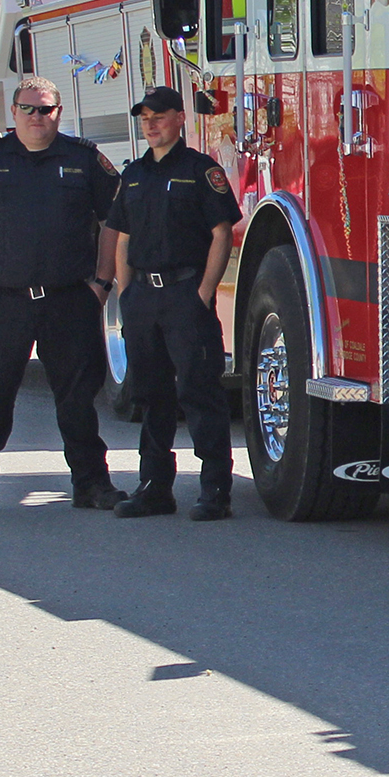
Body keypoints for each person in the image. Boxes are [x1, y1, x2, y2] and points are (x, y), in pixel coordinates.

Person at [0, 73, 125, 514]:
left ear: (59, 112)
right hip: (3, 301)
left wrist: (101, 281)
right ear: (13, 113)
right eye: (28, 108)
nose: (37, 116)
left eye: (46, 109)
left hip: (69, 299)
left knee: (77, 400)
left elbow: (115, 219)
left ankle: (92, 485)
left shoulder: (84, 159)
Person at [108, 86, 242, 521]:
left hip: (186, 294)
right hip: (144, 296)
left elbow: (222, 233)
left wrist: (204, 293)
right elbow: (123, 236)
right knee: (150, 394)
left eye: (159, 116)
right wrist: (125, 294)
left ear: (180, 118)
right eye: (144, 117)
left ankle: (215, 489)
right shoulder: (133, 175)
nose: (150, 124)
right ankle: (153, 487)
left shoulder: (201, 171)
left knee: (199, 392)